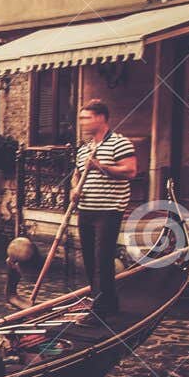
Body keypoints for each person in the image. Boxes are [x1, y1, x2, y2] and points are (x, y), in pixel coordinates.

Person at [71, 99, 137, 319]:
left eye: (86, 118)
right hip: (86, 209)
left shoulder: (120, 143)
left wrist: (101, 166)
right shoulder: (84, 149)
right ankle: (106, 302)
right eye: (81, 118)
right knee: (89, 259)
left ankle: (100, 310)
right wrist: (74, 189)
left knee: (102, 259)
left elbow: (130, 171)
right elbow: (77, 174)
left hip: (109, 210)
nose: (82, 122)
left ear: (101, 118)